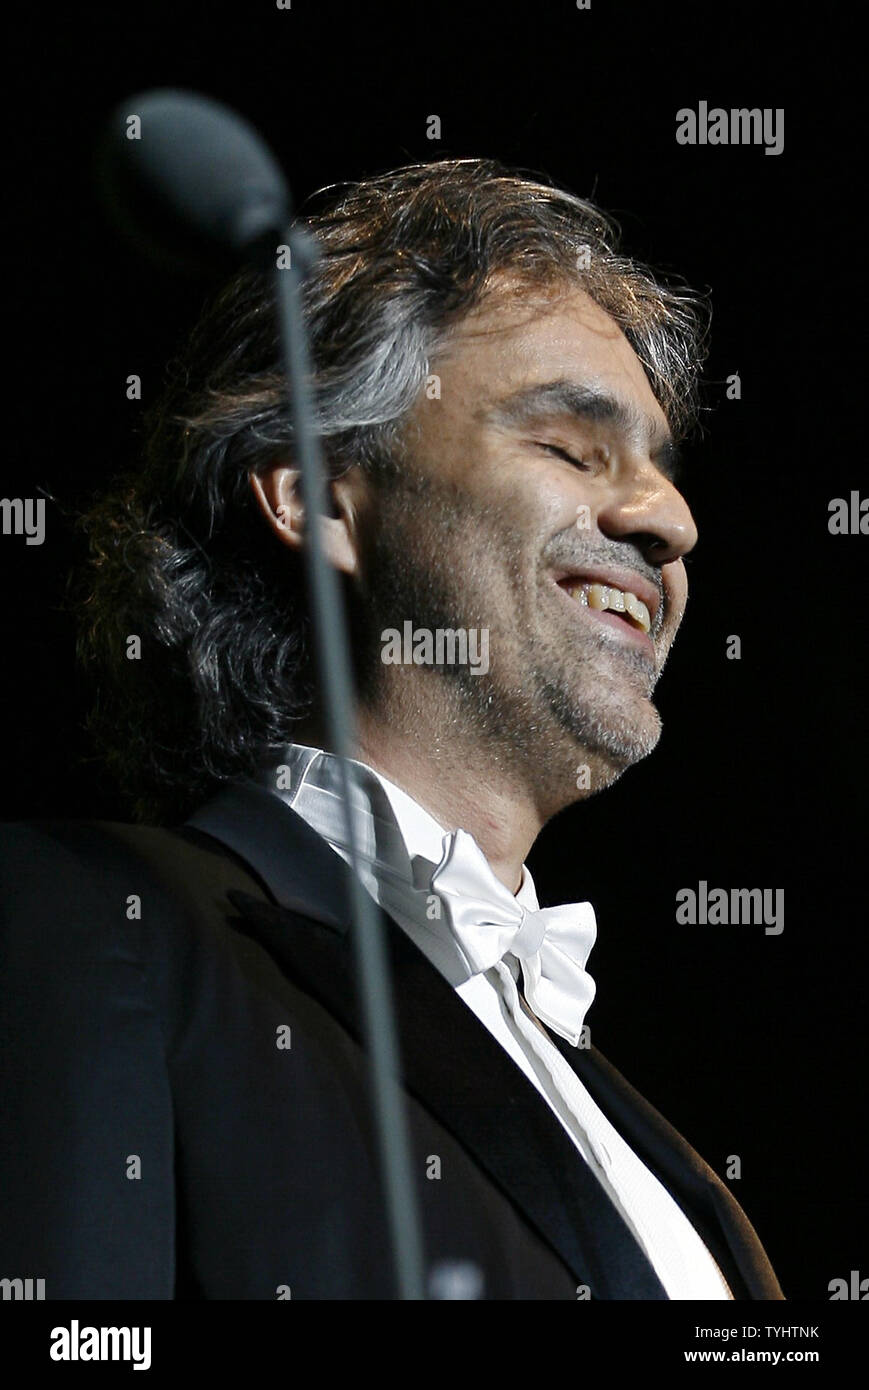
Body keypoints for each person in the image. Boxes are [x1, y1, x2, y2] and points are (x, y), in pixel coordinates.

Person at [0, 158, 783, 1300]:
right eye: (571, 446)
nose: (668, 517)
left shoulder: (659, 1160)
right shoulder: (94, 920)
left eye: (661, 467)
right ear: (319, 497)